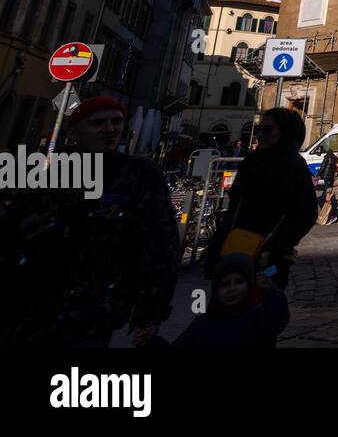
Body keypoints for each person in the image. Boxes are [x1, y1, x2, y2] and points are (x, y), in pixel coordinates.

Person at [0, 96, 179, 347]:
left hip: (90, 310)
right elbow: (13, 231)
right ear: (75, 130)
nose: (109, 129)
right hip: (26, 305)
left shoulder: (139, 174)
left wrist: (149, 312)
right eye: (98, 123)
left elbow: (161, 245)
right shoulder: (48, 173)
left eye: (116, 121)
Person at [206, 107, 317, 290]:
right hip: (234, 245)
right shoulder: (252, 160)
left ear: (285, 132)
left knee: (263, 302)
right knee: (224, 305)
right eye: (259, 129)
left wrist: (278, 246)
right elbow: (235, 207)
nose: (260, 135)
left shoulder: (293, 165)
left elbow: (306, 212)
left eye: (267, 130)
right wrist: (217, 244)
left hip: (269, 254)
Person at [171, 252, 290, 347]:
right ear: (216, 291)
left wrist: (271, 293)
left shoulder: (258, 314)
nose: (232, 289)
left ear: (250, 284)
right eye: (224, 285)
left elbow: (277, 320)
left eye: (239, 282)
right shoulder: (204, 322)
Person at [315, 150, 338, 226]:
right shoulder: (335, 158)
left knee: (325, 193)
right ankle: (325, 213)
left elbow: (323, 166)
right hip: (330, 177)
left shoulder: (326, 157)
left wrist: (318, 174)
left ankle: (327, 214)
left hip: (326, 176)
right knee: (325, 192)